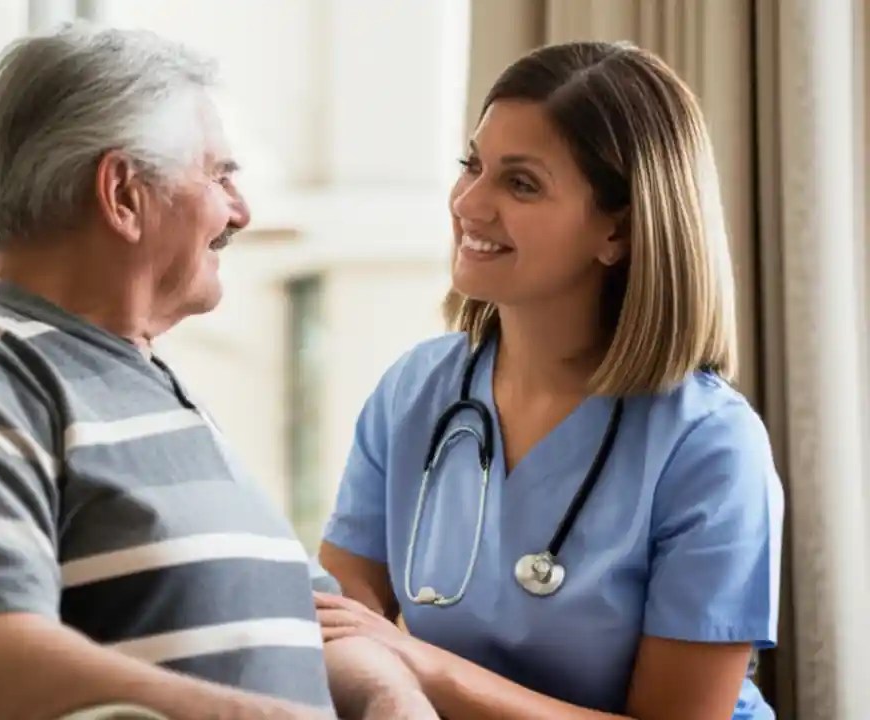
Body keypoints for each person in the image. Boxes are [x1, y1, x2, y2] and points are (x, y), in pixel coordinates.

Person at [0, 25, 434, 720]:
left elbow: (324, 623)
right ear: (123, 194)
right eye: (218, 175)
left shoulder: (159, 393)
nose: (241, 211)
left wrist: (392, 696)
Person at [316, 41, 784, 720]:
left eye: (521, 182)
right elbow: (344, 623)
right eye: (471, 166)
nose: (470, 204)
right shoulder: (415, 392)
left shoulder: (709, 446)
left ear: (617, 232)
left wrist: (422, 665)